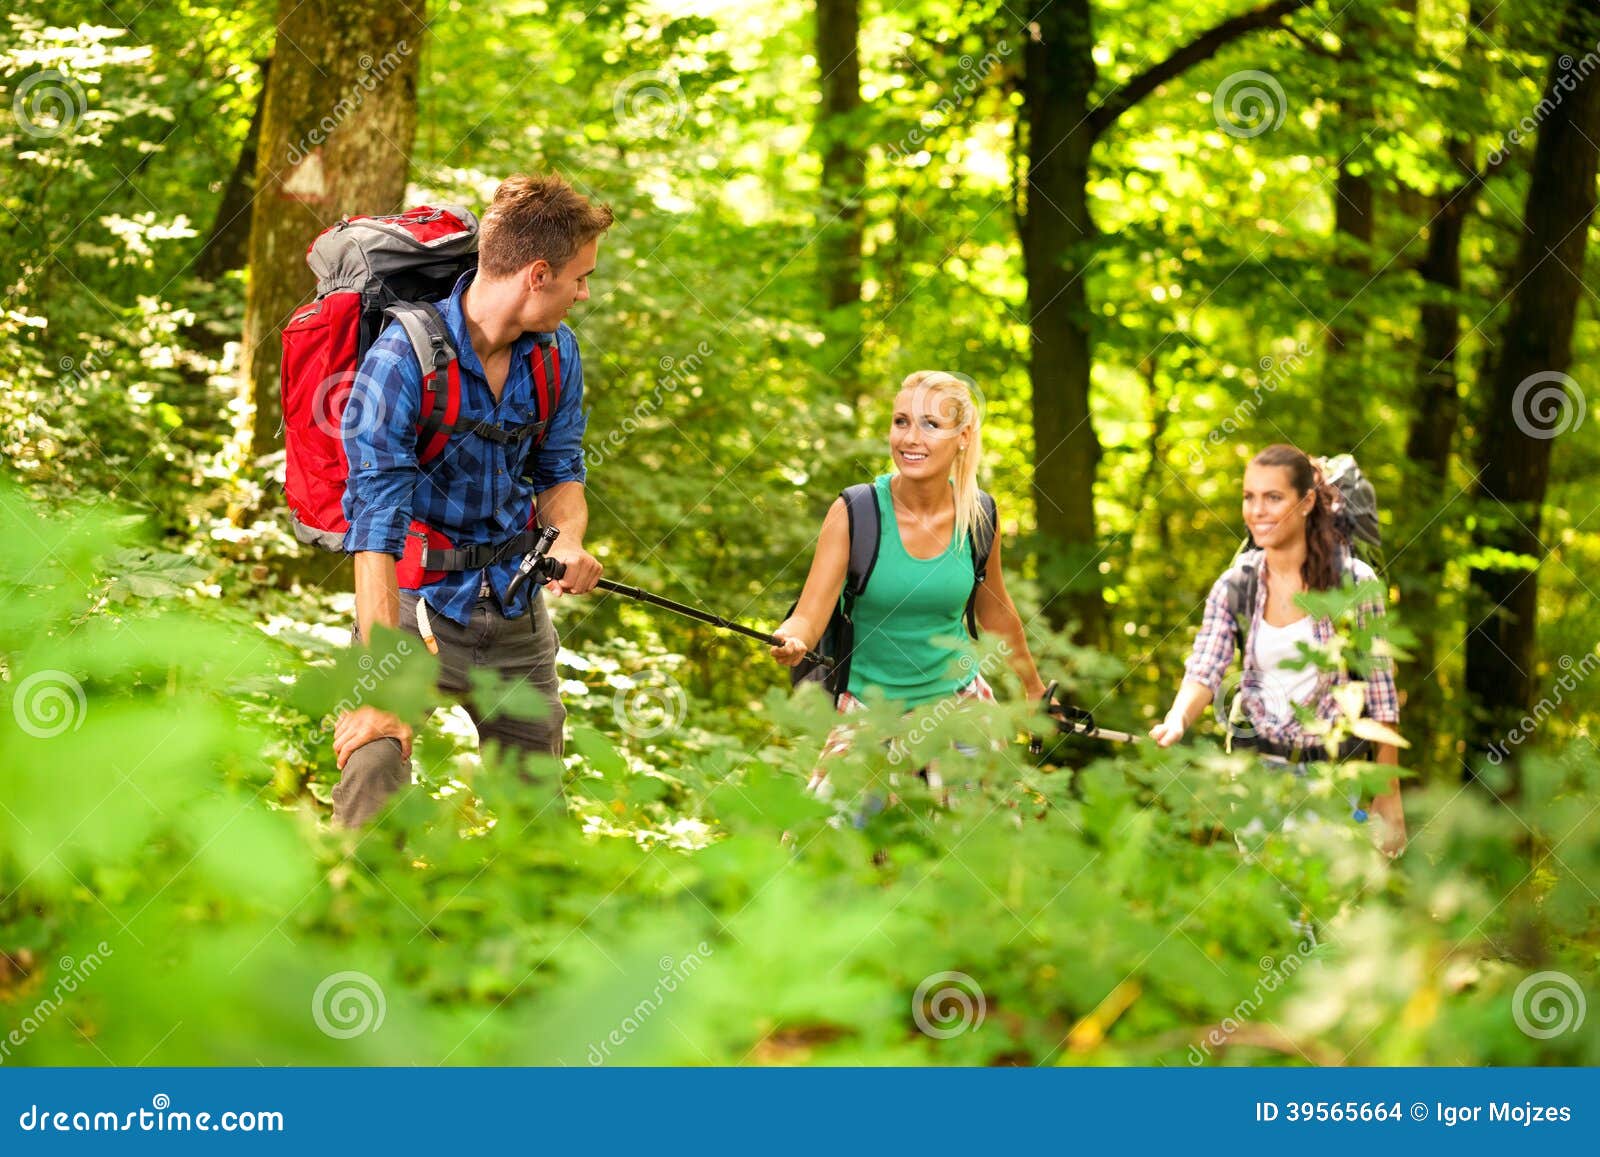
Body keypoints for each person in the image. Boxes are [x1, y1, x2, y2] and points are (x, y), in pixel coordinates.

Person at [329, 174, 613, 827]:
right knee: (373, 758)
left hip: (514, 605)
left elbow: (561, 471)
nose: (585, 292)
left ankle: (525, 924)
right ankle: (350, 920)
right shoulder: (401, 359)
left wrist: (567, 538)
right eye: (581, 277)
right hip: (412, 603)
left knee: (538, 806)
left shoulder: (555, 355)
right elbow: (374, 533)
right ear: (538, 274)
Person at [769, 371, 1048, 773]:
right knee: (822, 834)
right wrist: (791, 638)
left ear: (964, 436)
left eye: (930, 424)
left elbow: (995, 613)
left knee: (980, 834)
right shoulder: (855, 512)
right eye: (901, 421)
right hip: (868, 710)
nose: (910, 438)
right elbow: (809, 615)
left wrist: (1034, 688)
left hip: (960, 706)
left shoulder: (978, 515)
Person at [1150, 443, 1406, 853]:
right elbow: (1205, 667)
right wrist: (1178, 719)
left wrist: (1388, 792)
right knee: (1266, 909)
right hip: (1253, 775)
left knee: (1311, 908)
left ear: (1306, 503)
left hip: (1331, 778)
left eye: (1273, 498)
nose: (1257, 510)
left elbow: (1382, 696)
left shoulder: (1356, 584)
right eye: (1249, 497)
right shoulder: (1236, 585)